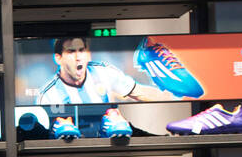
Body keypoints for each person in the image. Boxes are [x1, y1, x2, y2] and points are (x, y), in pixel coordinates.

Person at [37, 36, 171, 105]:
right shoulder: (48, 94)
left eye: (81, 51)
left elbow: (140, 92)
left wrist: (177, 97)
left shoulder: (103, 71)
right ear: (58, 58)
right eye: (71, 52)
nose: (78, 57)